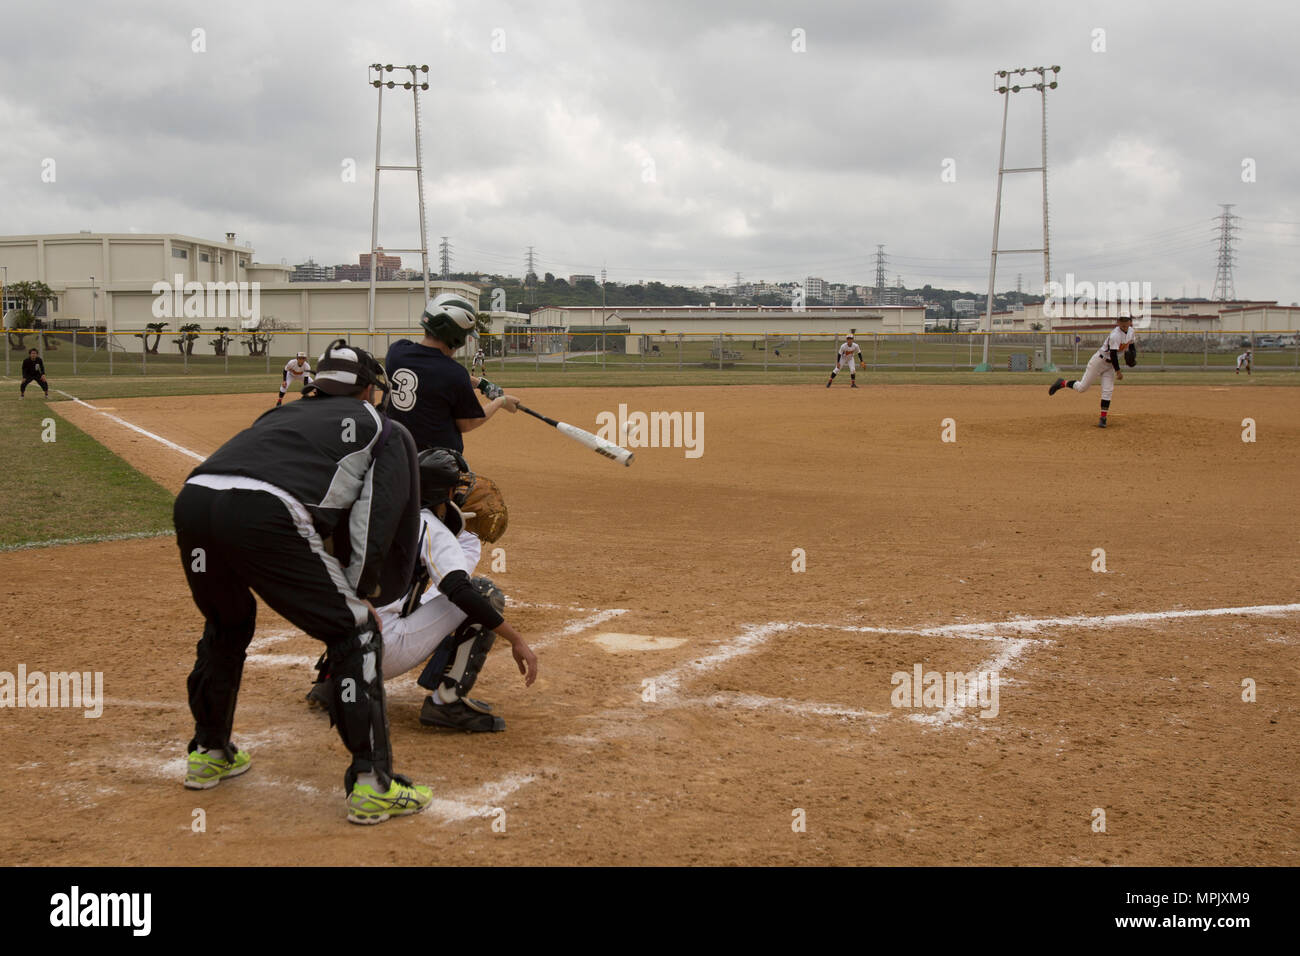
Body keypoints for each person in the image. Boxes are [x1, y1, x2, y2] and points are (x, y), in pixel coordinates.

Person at [174, 339, 432, 825]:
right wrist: (359, 597)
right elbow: (372, 521)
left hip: (195, 499)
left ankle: (209, 751)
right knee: (355, 632)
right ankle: (373, 784)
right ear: (367, 390)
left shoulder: (280, 414)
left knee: (227, 625)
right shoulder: (381, 427)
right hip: (264, 510)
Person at [308, 448, 537, 732]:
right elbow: (459, 591)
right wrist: (516, 639)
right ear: (444, 493)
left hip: (341, 641)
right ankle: (448, 702)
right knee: (483, 593)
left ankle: (334, 681)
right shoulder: (431, 528)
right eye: (456, 489)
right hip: (384, 649)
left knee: (388, 599)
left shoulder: (377, 513)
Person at [385, 294, 519, 454]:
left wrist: (480, 383)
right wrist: (500, 402)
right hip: (434, 463)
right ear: (455, 337)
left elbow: (431, 372)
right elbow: (467, 423)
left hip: (394, 455)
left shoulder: (397, 352)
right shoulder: (455, 374)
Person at [1048, 315, 1136, 428]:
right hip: (1099, 362)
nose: (1124, 323)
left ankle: (1103, 418)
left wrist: (1134, 357)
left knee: (1108, 390)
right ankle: (1062, 383)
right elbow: (1113, 354)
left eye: (1126, 320)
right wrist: (1118, 371)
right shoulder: (1115, 335)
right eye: (1121, 320)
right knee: (1082, 388)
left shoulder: (1131, 332)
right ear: (1118, 322)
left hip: (1110, 366)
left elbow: (1132, 346)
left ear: (1130, 322)